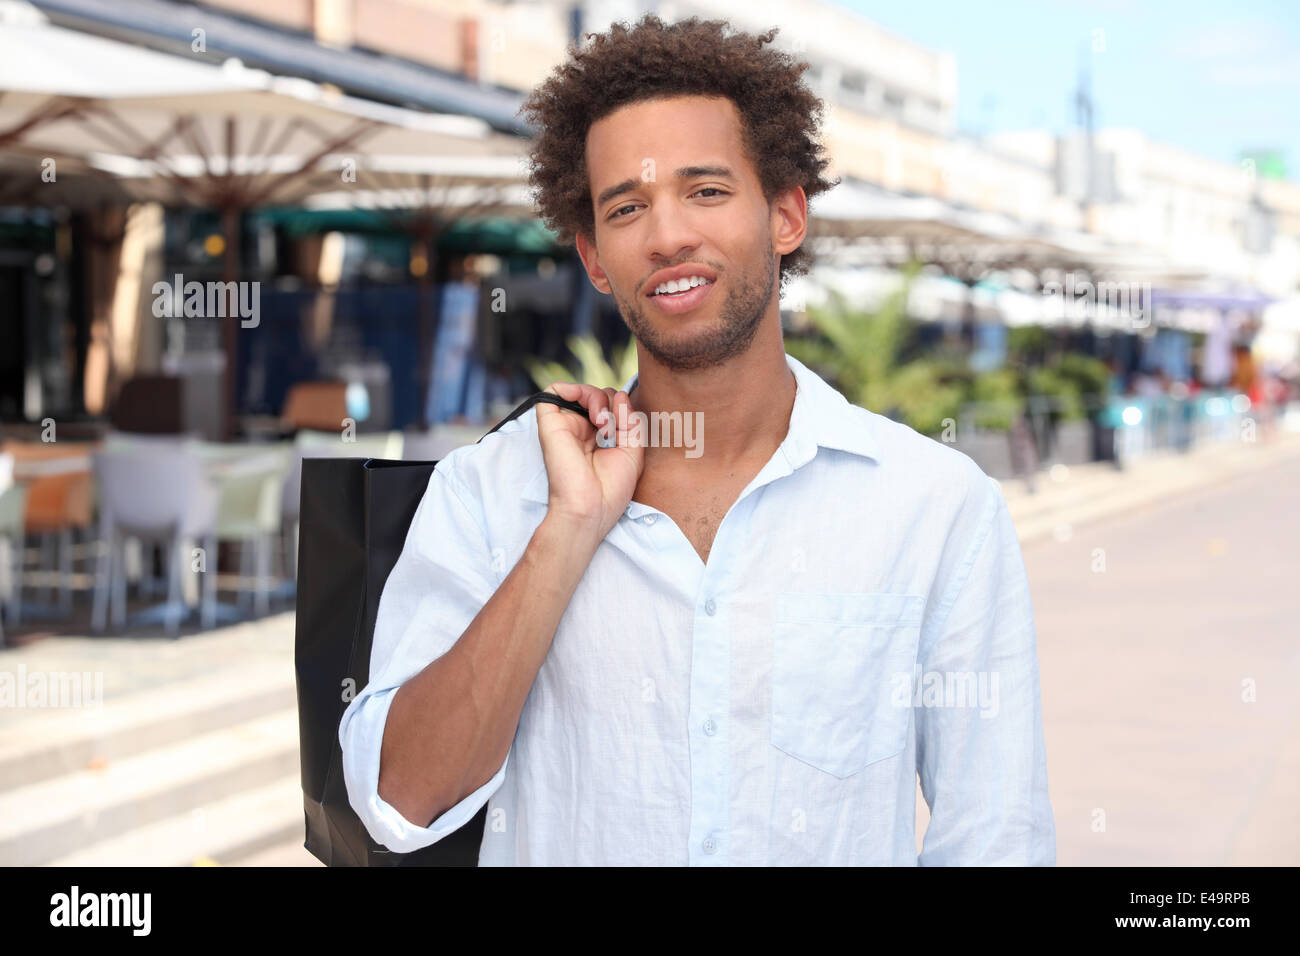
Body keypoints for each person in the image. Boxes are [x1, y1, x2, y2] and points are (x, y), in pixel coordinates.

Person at [339, 14, 1055, 866]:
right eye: (628, 207)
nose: (668, 235)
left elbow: (995, 839)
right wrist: (565, 533)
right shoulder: (493, 491)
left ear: (786, 215)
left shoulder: (935, 507)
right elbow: (398, 804)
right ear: (596, 257)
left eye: (706, 191)